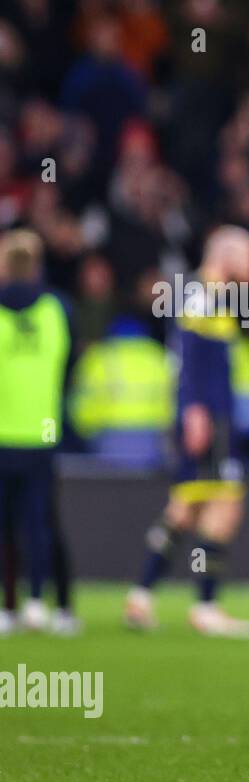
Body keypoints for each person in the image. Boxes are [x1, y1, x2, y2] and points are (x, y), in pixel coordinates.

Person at [123, 226, 249, 637]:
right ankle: (205, 605)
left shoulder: (211, 296)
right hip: (208, 419)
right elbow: (188, 358)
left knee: (185, 509)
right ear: (227, 256)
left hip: (208, 415)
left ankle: (141, 596)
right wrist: (195, 412)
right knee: (227, 504)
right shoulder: (202, 294)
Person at [0, 229, 75, 635]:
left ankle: (7, 609)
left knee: (5, 528)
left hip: (2, 433)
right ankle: (45, 604)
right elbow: (68, 365)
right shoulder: (56, 309)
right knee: (43, 524)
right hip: (43, 432)